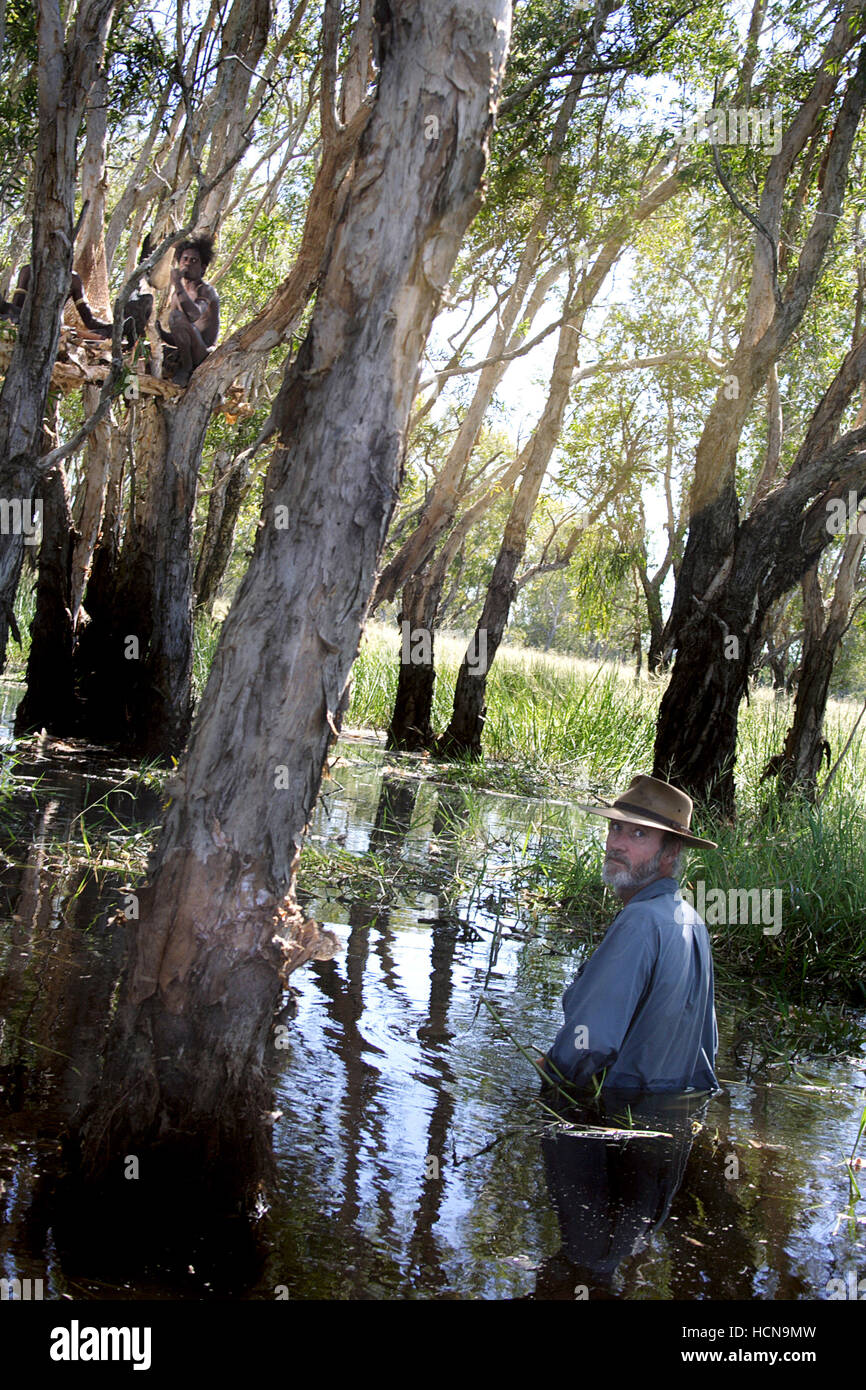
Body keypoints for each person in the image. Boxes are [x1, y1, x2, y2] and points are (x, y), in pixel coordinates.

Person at [542, 774, 719, 1094]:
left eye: (639, 834)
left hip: (616, 1114)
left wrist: (555, 1069)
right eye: (616, 828)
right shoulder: (693, 920)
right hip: (670, 1115)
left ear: (670, 853)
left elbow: (589, 1038)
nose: (616, 844)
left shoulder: (640, 922)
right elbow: (706, 1047)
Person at [160, 236, 219, 387]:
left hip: (202, 353)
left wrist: (177, 285)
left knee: (176, 317)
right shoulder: (176, 295)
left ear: (203, 268)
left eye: (194, 261)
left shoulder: (206, 290)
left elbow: (193, 315)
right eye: (184, 259)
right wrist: (158, 331)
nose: (187, 263)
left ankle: (186, 369)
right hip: (185, 351)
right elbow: (179, 337)